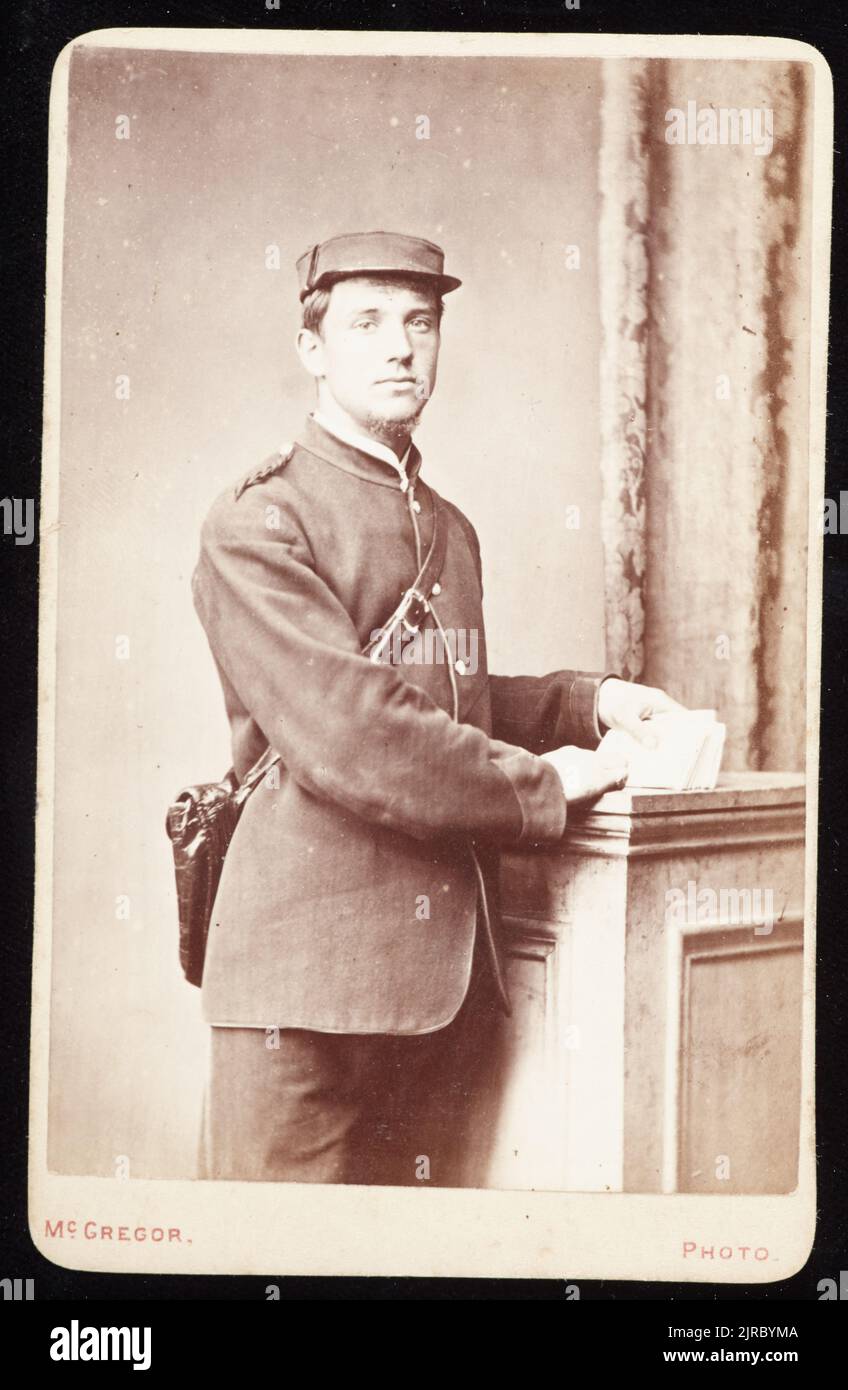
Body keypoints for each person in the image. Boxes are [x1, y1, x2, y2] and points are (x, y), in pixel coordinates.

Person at [191, 230, 682, 1186]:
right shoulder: (259, 520)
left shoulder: (446, 526)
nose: (400, 347)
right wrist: (549, 784)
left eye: (420, 321)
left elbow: (444, 697)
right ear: (313, 349)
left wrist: (590, 703)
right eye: (366, 322)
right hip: (307, 998)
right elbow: (356, 731)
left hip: (444, 994)